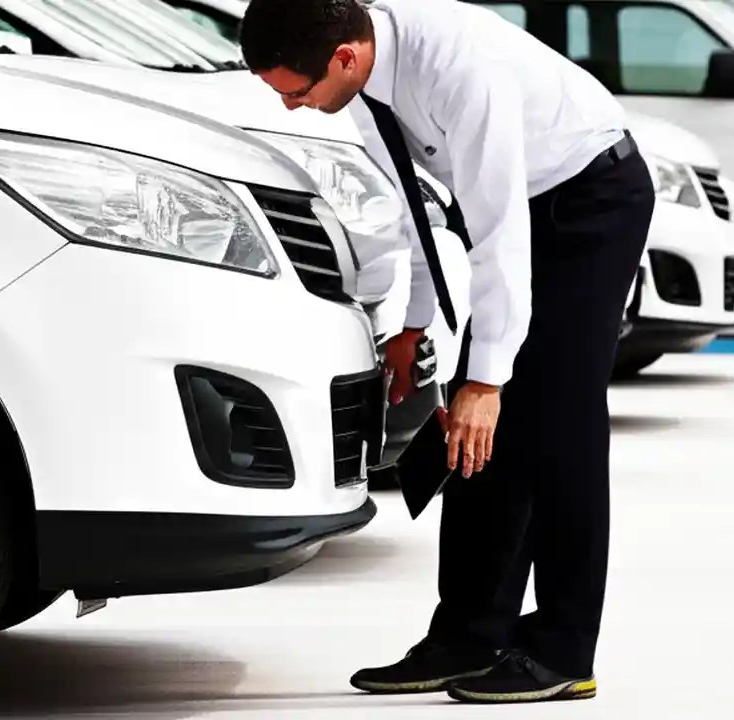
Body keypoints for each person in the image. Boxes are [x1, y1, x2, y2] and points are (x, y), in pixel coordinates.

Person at [239, 0, 655, 705]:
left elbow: (499, 232)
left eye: (297, 91)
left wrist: (486, 382)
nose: (290, 106)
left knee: (560, 424)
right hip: (522, 207)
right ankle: (468, 635)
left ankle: (563, 650)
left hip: (591, 201)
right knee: (475, 436)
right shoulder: (363, 79)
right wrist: (414, 322)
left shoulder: (460, 69)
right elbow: (418, 206)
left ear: (344, 57)